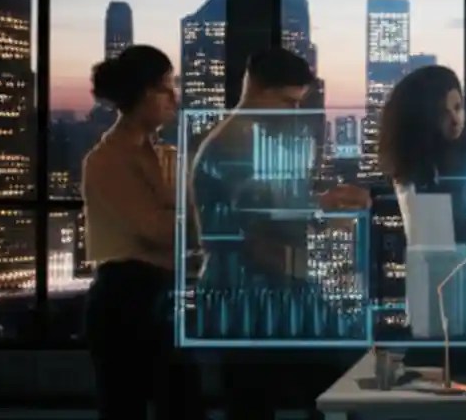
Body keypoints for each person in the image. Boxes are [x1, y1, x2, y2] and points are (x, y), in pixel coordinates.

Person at [190, 47, 370, 420]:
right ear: (254, 87)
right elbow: (264, 231)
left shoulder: (249, 139)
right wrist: (329, 222)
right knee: (294, 399)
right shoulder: (238, 144)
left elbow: (270, 210)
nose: (292, 112)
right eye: (287, 101)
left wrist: (322, 203)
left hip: (262, 299)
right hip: (250, 301)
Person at [81, 45, 205, 420]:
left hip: (163, 291)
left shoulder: (164, 154)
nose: (174, 97)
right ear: (140, 93)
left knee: (183, 404)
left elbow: (188, 220)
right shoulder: (105, 160)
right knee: (126, 408)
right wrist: (185, 217)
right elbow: (158, 229)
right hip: (126, 296)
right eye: (165, 88)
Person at [377, 64, 466, 244]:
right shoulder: (414, 162)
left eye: (458, 107)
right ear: (425, 117)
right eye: (443, 113)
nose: (455, 120)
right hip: (437, 258)